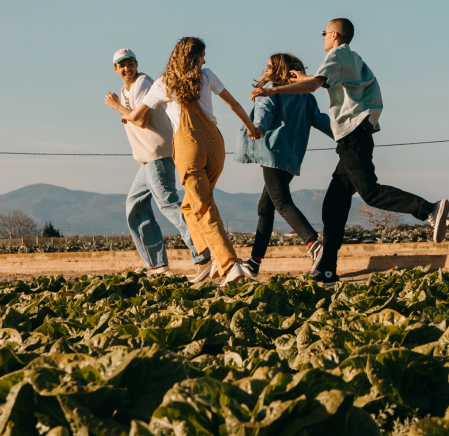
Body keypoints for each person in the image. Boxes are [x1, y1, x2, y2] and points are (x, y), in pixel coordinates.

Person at [252, 19, 449, 286]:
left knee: (370, 192)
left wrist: (272, 89)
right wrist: (306, 79)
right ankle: (327, 270)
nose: (322, 38)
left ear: (334, 35)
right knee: (333, 205)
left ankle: (428, 209)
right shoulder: (351, 58)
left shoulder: (337, 55)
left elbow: (313, 86)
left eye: (324, 33)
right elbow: (318, 86)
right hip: (353, 137)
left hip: (354, 136)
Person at [125, 37, 262, 285]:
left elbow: (136, 117)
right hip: (215, 146)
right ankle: (213, 263)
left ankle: (230, 265)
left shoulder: (163, 83)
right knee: (189, 207)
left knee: (203, 207)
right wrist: (251, 128)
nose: (205, 61)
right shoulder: (207, 75)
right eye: (202, 56)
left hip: (189, 148)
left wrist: (119, 109)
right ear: (194, 58)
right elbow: (233, 104)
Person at [104, 48, 212, 281]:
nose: (126, 68)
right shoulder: (125, 90)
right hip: (146, 159)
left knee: (169, 205)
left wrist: (118, 108)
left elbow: (141, 120)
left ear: (136, 63)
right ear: (115, 69)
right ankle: (156, 264)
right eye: (121, 65)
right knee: (136, 207)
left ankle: (204, 256)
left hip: (158, 155)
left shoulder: (143, 83)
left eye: (130, 63)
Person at [234, 53, 333, 277]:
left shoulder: (271, 89)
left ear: (280, 69)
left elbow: (264, 111)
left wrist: (257, 128)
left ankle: (314, 245)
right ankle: (254, 262)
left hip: (272, 151)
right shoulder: (306, 96)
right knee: (265, 207)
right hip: (292, 156)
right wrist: (344, 135)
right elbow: (320, 120)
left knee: (280, 201)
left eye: (270, 66)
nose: (266, 69)